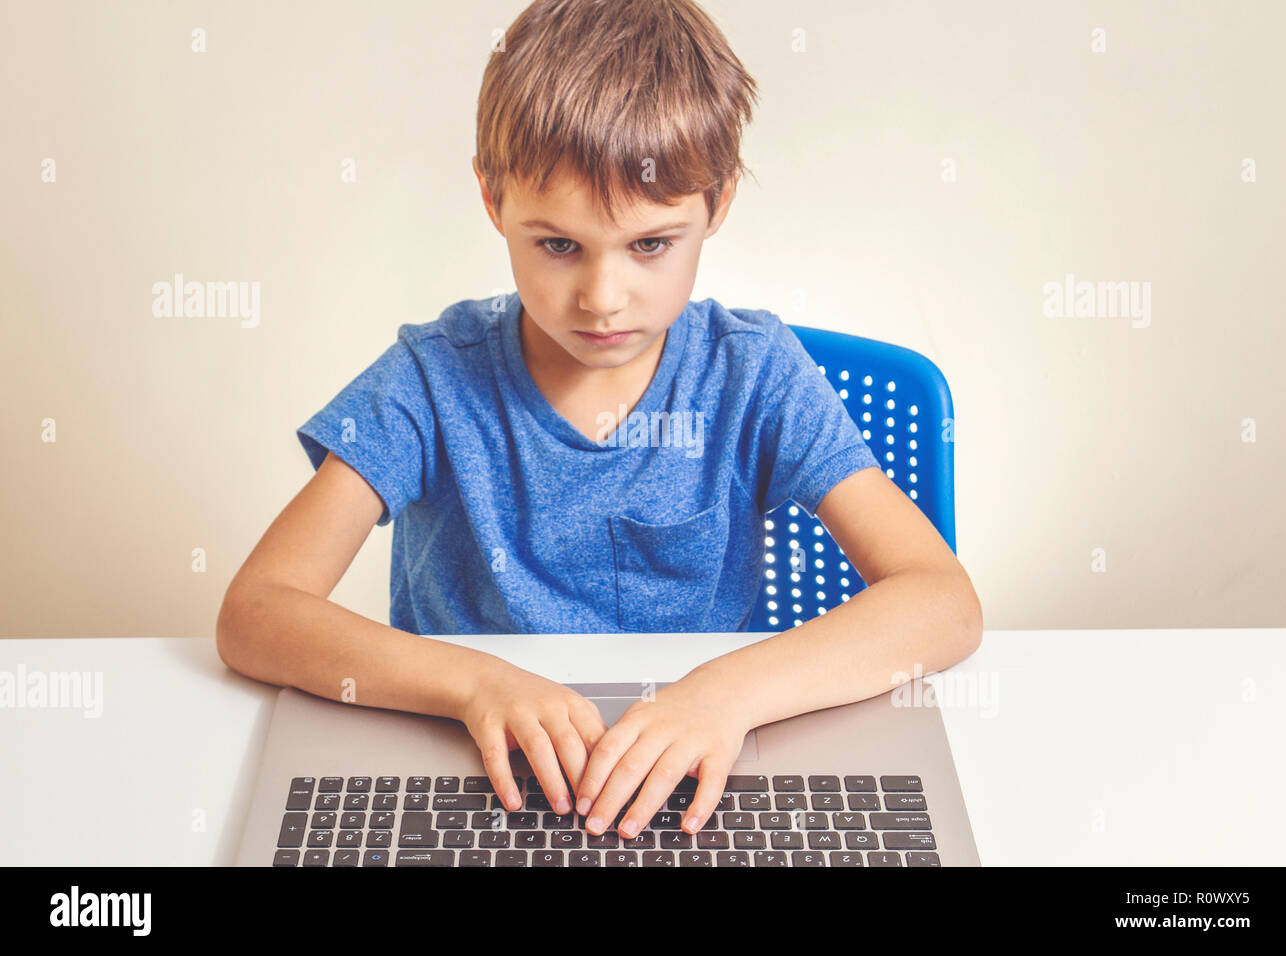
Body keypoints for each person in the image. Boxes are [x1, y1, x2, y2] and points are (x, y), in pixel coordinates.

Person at [216, 0, 982, 846]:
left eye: (651, 245)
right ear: (492, 197)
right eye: (558, 246)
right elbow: (258, 612)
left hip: (691, 769)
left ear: (717, 202)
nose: (602, 298)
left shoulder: (755, 374)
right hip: (474, 765)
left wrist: (724, 695)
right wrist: (476, 685)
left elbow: (942, 603)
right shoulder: (431, 380)